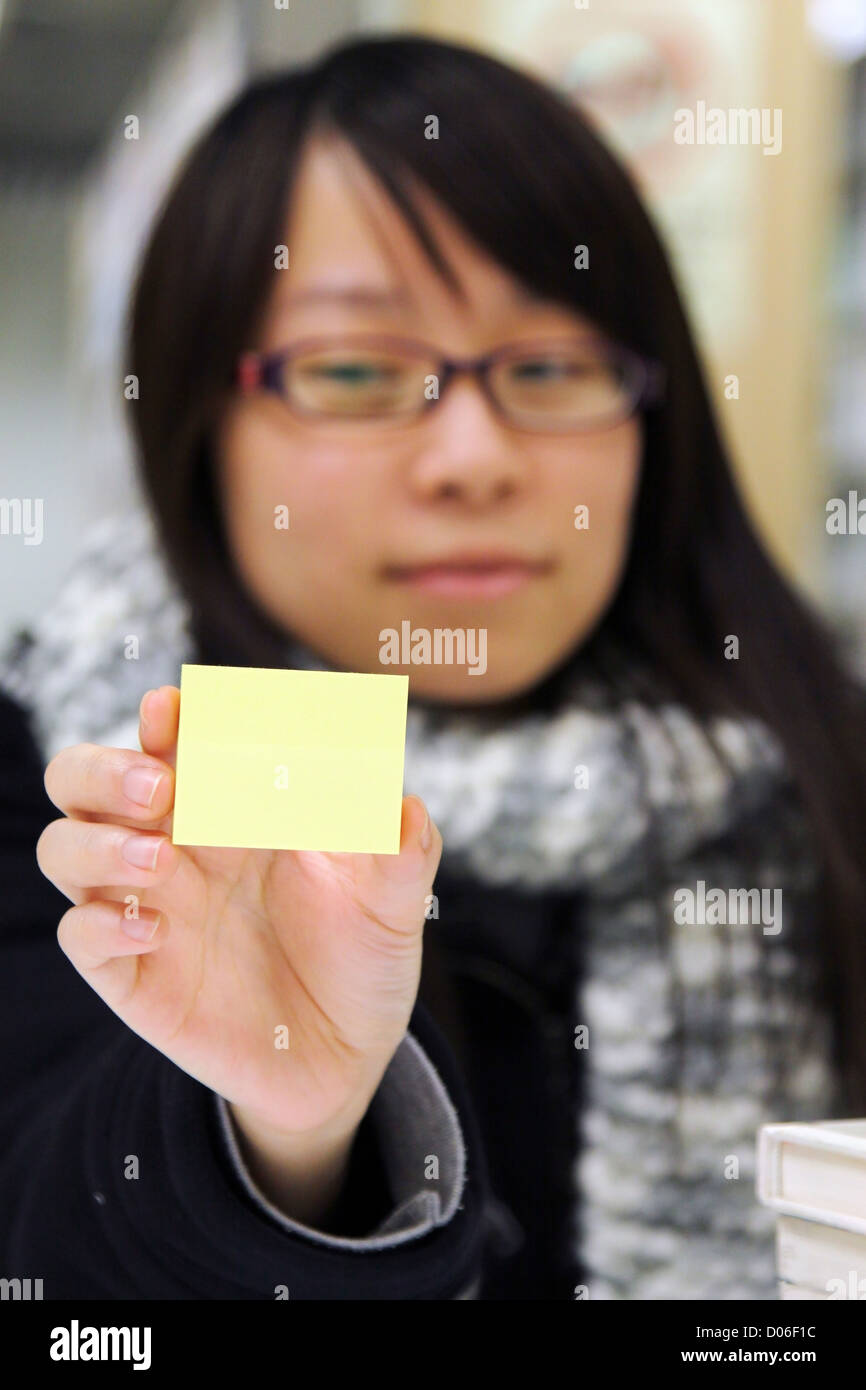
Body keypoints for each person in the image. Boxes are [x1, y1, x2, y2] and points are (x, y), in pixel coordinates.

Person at [1, 34, 865, 1302]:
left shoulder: (822, 767)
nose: (472, 455)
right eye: (355, 370)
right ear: (197, 426)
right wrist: (288, 1139)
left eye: (550, 369)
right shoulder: (75, 785)